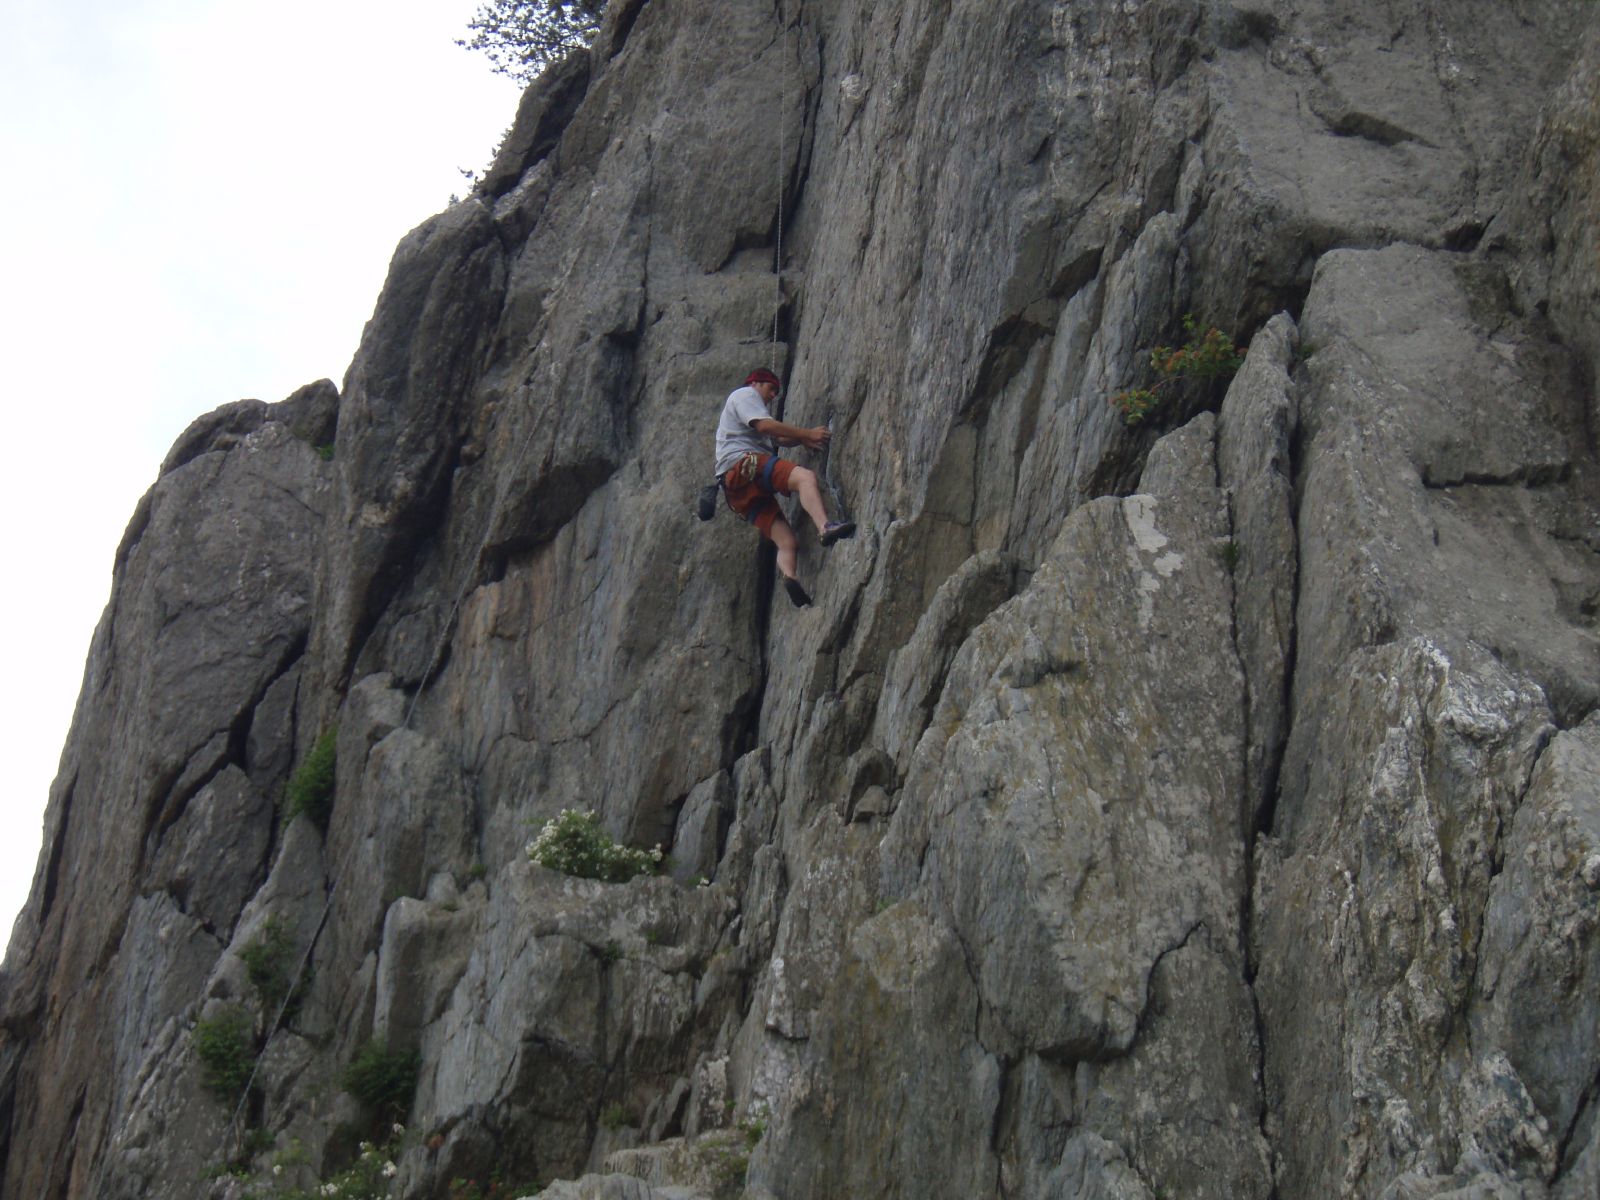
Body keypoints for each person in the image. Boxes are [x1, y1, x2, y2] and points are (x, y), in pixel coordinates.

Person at [714, 368, 855, 607]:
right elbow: (767, 428)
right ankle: (825, 526)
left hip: (735, 491)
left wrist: (802, 439)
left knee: (787, 541)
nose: (772, 396)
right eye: (771, 389)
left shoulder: (745, 411)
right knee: (805, 478)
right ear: (756, 383)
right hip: (745, 464)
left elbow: (778, 439)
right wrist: (808, 432)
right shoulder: (745, 395)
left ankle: (790, 577)